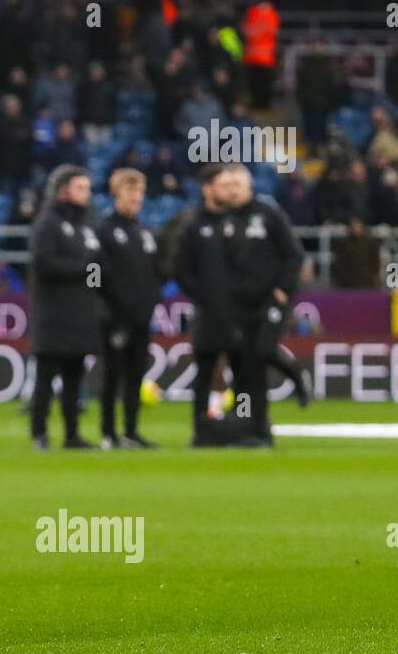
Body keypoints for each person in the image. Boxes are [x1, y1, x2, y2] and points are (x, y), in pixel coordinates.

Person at [223, 164, 306, 422]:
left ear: (249, 186)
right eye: (229, 185)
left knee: (263, 351)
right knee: (243, 362)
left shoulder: (268, 213)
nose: (233, 190)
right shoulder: (225, 219)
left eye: (237, 184)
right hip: (238, 302)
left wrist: (284, 288)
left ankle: (294, 375)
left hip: (270, 298)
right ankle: (247, 420)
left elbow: (294, 253)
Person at [28, 164, 101, 450]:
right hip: (53, 313)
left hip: (80, 311)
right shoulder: (47, 223)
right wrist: (84, 268)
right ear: (63, 190)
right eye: (81, 188)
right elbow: (43, 264)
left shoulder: (86, 224)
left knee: (74, 374)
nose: (87, 194)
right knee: (46, 376)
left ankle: (72, 434)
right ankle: (39, 433)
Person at [175, 165, 241, 444]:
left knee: (244, 373)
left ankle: (244, 426)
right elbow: (181, 268)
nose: (230, 190)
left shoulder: (240, 221)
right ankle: (201, 429)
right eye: (224, 185)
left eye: (231, 185)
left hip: (240, 311)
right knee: (205, 372)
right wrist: (203, 296)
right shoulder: (193, 224)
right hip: (208, 312)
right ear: (208, 189)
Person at [97, 168, 162, 449]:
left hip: (141, 318)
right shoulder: (104, 230)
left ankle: (131, 431)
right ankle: (109, 433)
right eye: (130, 191)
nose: (136, 197)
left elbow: (154, 274)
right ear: (116, 194)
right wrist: (108, 309)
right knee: (112, 375)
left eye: (139, 192)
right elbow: (98, 275)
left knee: (135, 376)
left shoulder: (146, 232)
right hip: (113, 318)